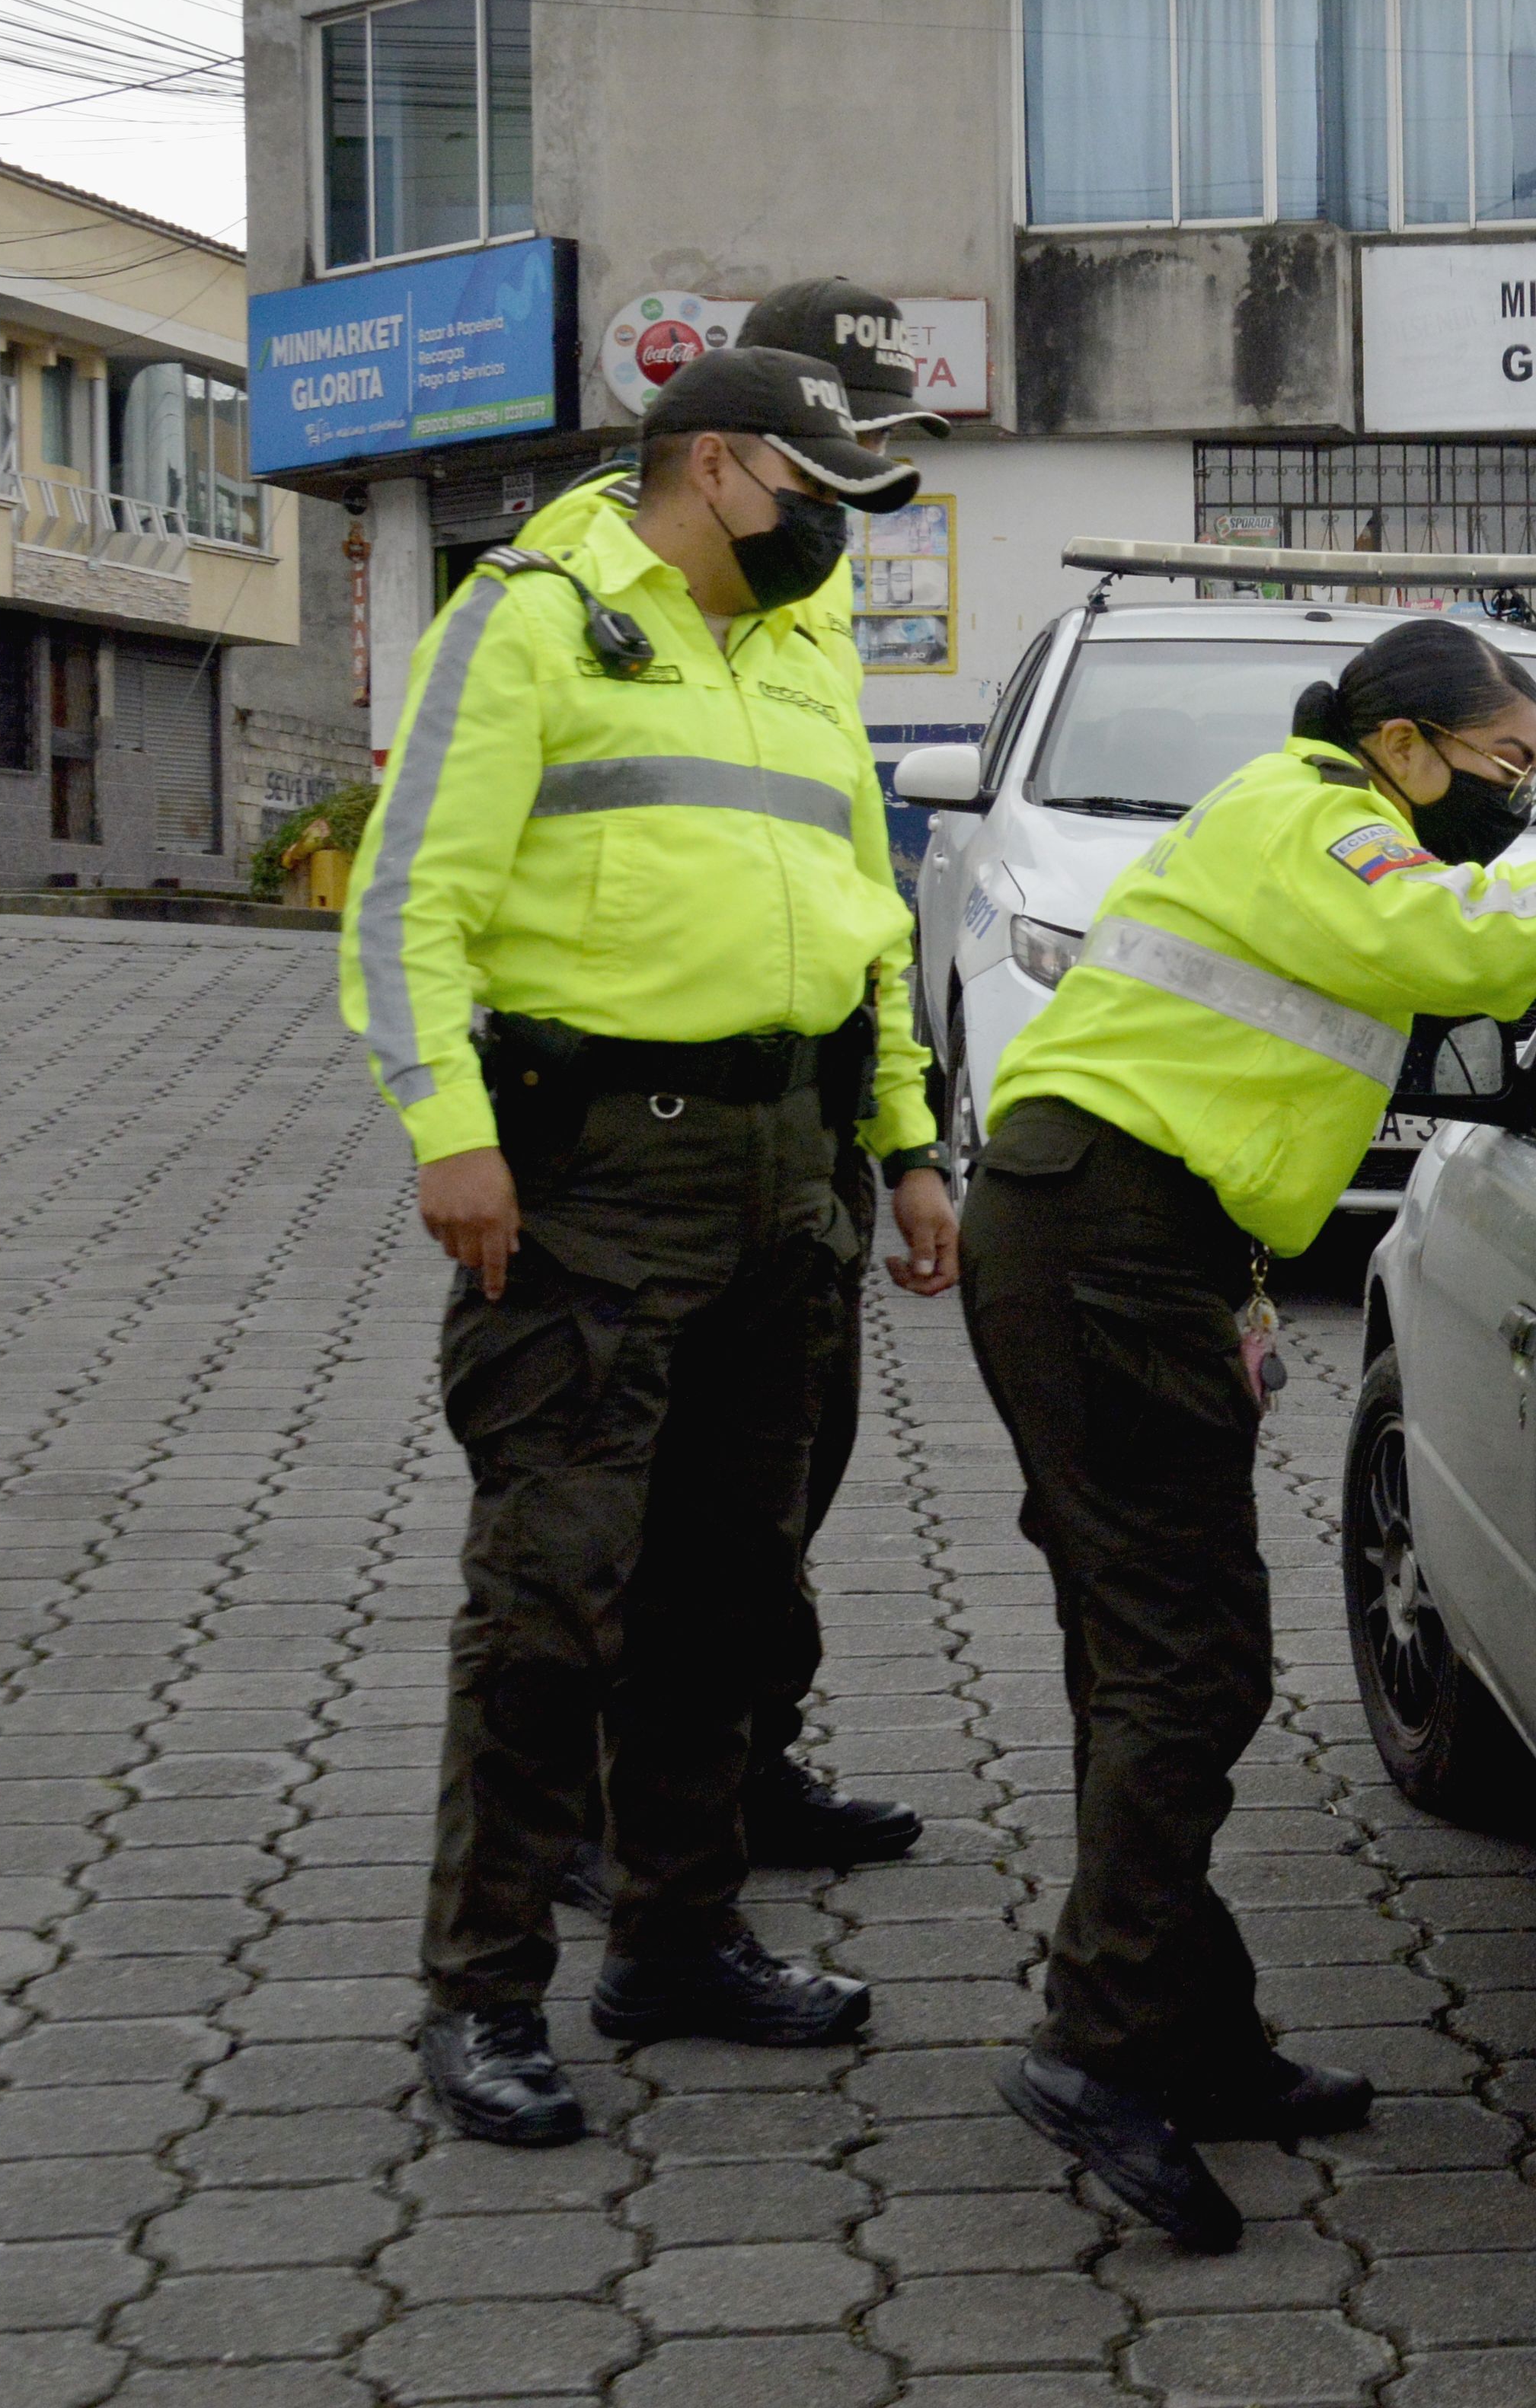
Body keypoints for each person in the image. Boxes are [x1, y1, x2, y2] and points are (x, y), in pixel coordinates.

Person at [964, 619, 1536, 2251]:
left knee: (1151, 1650)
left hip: (1132, 1241)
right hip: (1099, 1241)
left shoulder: (1310, 815)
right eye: (1500, 770)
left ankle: (1188, 2030)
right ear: (1401, 743)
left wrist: (1242, 1288)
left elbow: (1275, 1052)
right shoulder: (1319, 813)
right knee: (1184, 1661)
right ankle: (1097, 2045)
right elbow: (1459, 949)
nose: (1514, 803)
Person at [339, 345, 966, 2148]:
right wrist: (447, 1131)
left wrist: (904, 1142)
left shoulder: (797, 650)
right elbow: (408, 904)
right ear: (709, 463)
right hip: (593, 1169)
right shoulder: (531, 619)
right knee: (550, 1603)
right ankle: (483, 1992)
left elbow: (866, 919)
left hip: (787, 1168)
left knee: (726, 1591)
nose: (830, 545)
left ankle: (679, 1937)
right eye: (808, 503)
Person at [513, 277, 948, 1889]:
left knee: (774, 1485)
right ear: (734, 444)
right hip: (627, 1134)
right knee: (605, 1510)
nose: (861, 484)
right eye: (847, 443)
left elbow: (848, 874)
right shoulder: (583, 567)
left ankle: (735, 1768)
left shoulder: (800, 592)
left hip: (802, 1109)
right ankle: (570, 1804)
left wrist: (901, 1133)